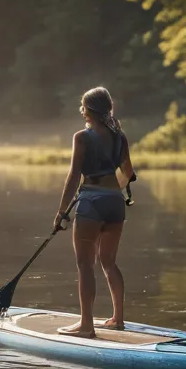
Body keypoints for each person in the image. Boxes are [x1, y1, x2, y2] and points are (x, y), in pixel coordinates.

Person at [53, 87, 135, 338]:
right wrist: (111, 189)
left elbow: (74, 175)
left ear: (90, 110)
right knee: (108, 262)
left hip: (91, 203)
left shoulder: (82, 137)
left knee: (85, 264)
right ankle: (118, 319)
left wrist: (61, 212)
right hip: (115, 203)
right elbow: (128, 173)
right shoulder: (120, 137)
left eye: (83, 107)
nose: (81, 111)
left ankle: (86, 325)